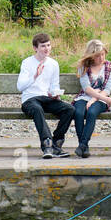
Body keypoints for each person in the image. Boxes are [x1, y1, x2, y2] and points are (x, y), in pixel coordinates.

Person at [17, 30, 74, 159]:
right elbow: (20, 86)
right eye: (43, 46)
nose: (46, 48)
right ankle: (47, 144)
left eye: (48, 45)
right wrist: (35, 75)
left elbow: (54, 85)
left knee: (69, 109)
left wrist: (56, 95)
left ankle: (56, 144)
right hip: (30, 100)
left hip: (46, 99)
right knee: (37, 109)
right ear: (35, 48)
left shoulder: (53, 64)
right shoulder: (27, 63)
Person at [72, 39, 111, 158]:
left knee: (91, 112)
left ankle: (82, 146)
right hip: (84, 97)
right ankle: (84, 148)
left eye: (103, 54)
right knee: (78, 113)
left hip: (101, 99)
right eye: (97, 56)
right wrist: (92, 96)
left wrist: (95, 99)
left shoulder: (110, 67)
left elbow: (108, 89)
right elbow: (86, 88)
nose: (101, 58)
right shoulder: (83, 67)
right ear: (91, 56)